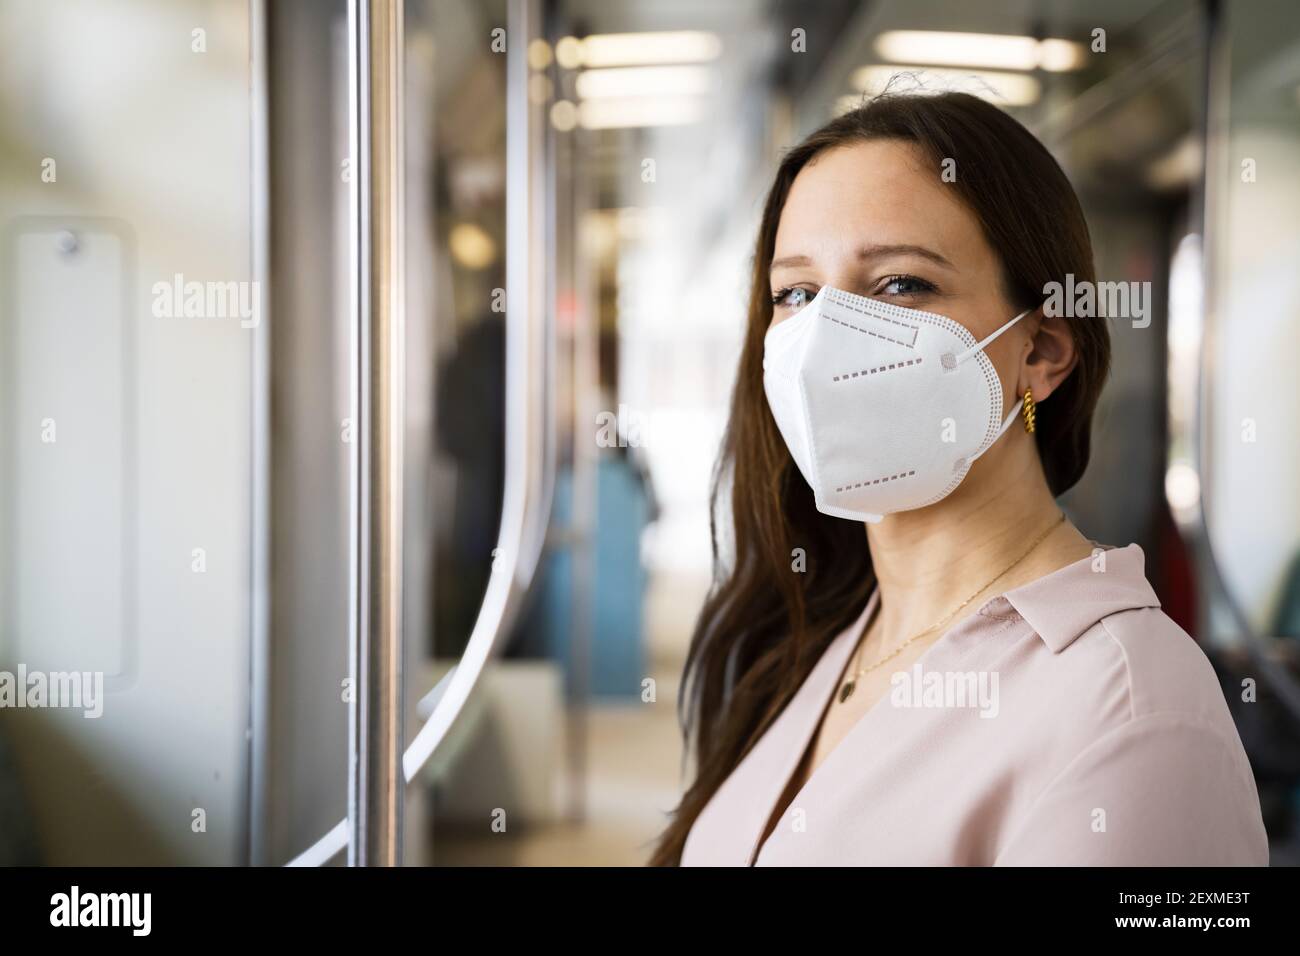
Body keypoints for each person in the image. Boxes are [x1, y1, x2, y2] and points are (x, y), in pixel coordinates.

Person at [651, 90, 1268, 866]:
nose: (822, 342)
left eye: (901, 284)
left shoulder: (1131, 706)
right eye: (796, 294)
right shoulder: (829, 635)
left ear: (1041, 350)